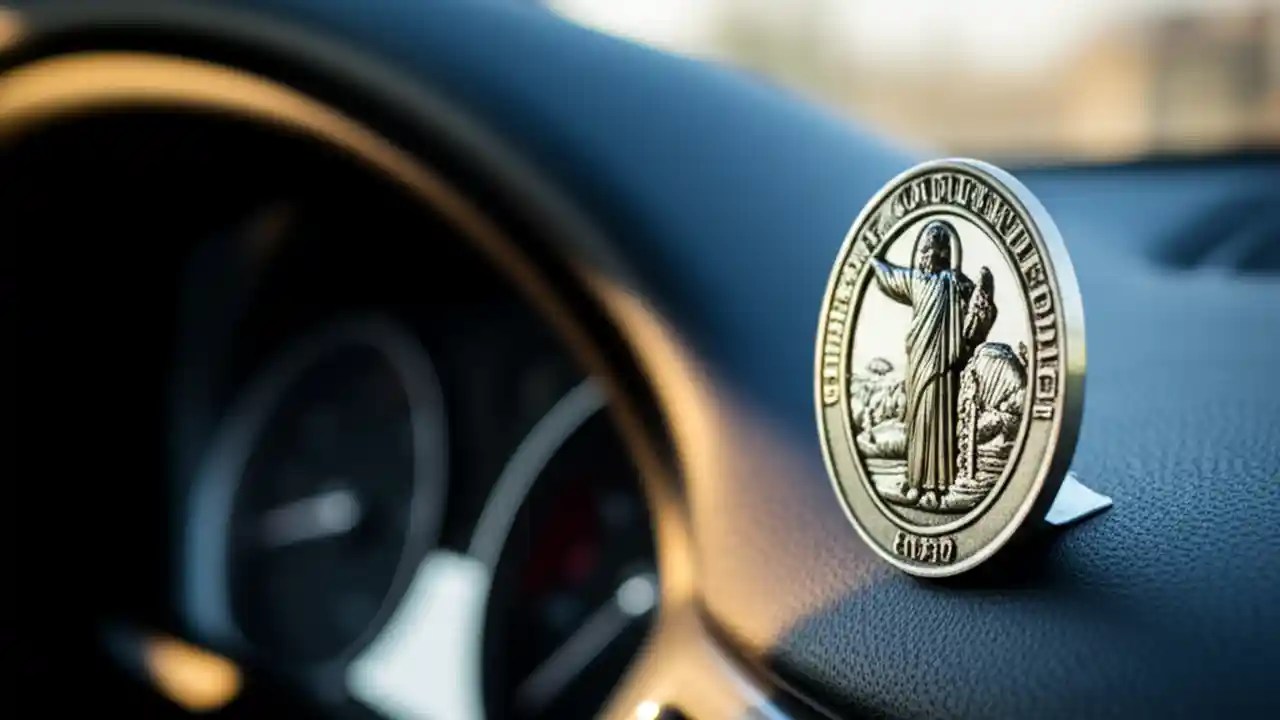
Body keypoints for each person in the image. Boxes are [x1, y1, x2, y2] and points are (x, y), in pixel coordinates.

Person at [871, 220, 995, 510]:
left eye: (934, 250)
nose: (927, 255)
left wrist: (983, 292)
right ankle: (915, 482)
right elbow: (889, 277)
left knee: (938, 422)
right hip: (918, 364)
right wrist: (873, 259)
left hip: (942, 367)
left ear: (944, 253)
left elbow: (982, 307)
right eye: (924, 249)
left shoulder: (954, 282)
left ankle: (936, 488)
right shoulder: (914, 280)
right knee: (917, 422)